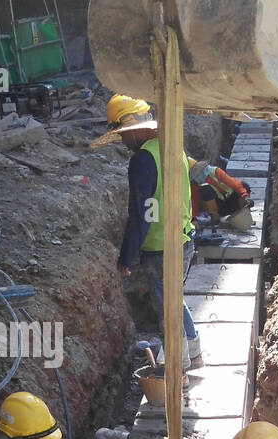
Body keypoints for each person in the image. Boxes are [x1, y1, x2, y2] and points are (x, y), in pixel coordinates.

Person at [93, 95, 250, 368]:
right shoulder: (172, 148)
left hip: (161, 248)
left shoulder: (142, 160)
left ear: (136, 130)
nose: (124, 142)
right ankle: (194, 352)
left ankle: (178, 368)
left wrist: (126, 257)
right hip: (183, 240)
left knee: (167, 310)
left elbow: (142, 214)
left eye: (124, 135)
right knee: (174, 300)